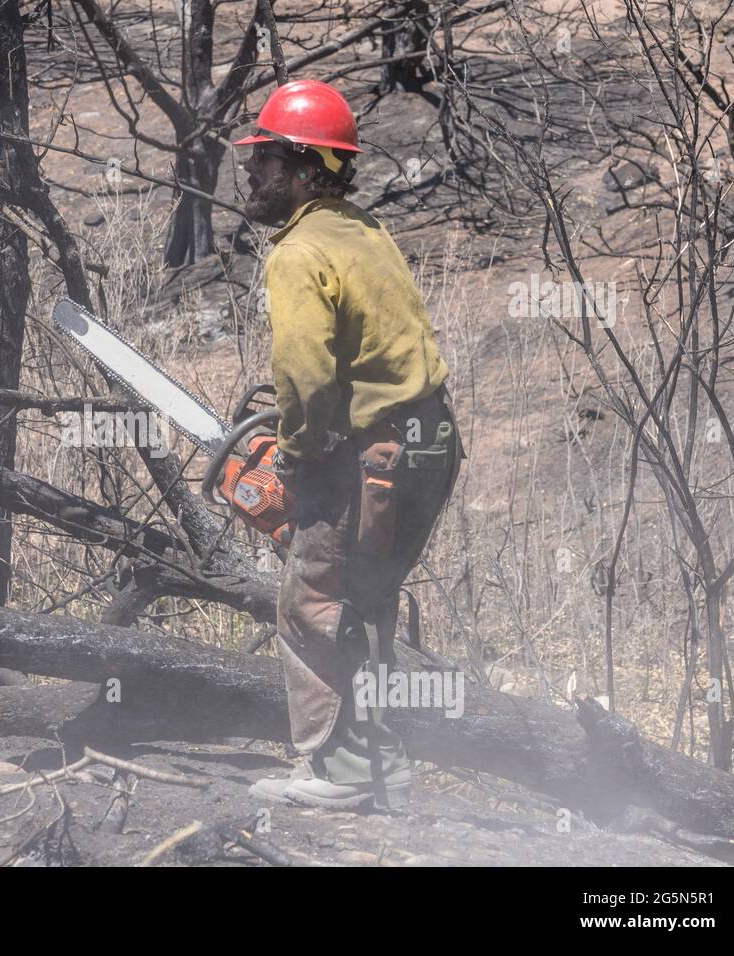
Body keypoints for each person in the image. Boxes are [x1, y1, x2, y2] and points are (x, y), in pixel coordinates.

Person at [236, 79, 463, 810]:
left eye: (266, 160)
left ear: (308, 169)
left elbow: (305, 370)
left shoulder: (298, 250)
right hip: (429, 438)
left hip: (379, 452)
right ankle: (378, 765)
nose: (251, 172)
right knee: (368, 601)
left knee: (315, 600)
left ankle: (342, 772)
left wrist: (299, 452)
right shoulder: (362, 228)